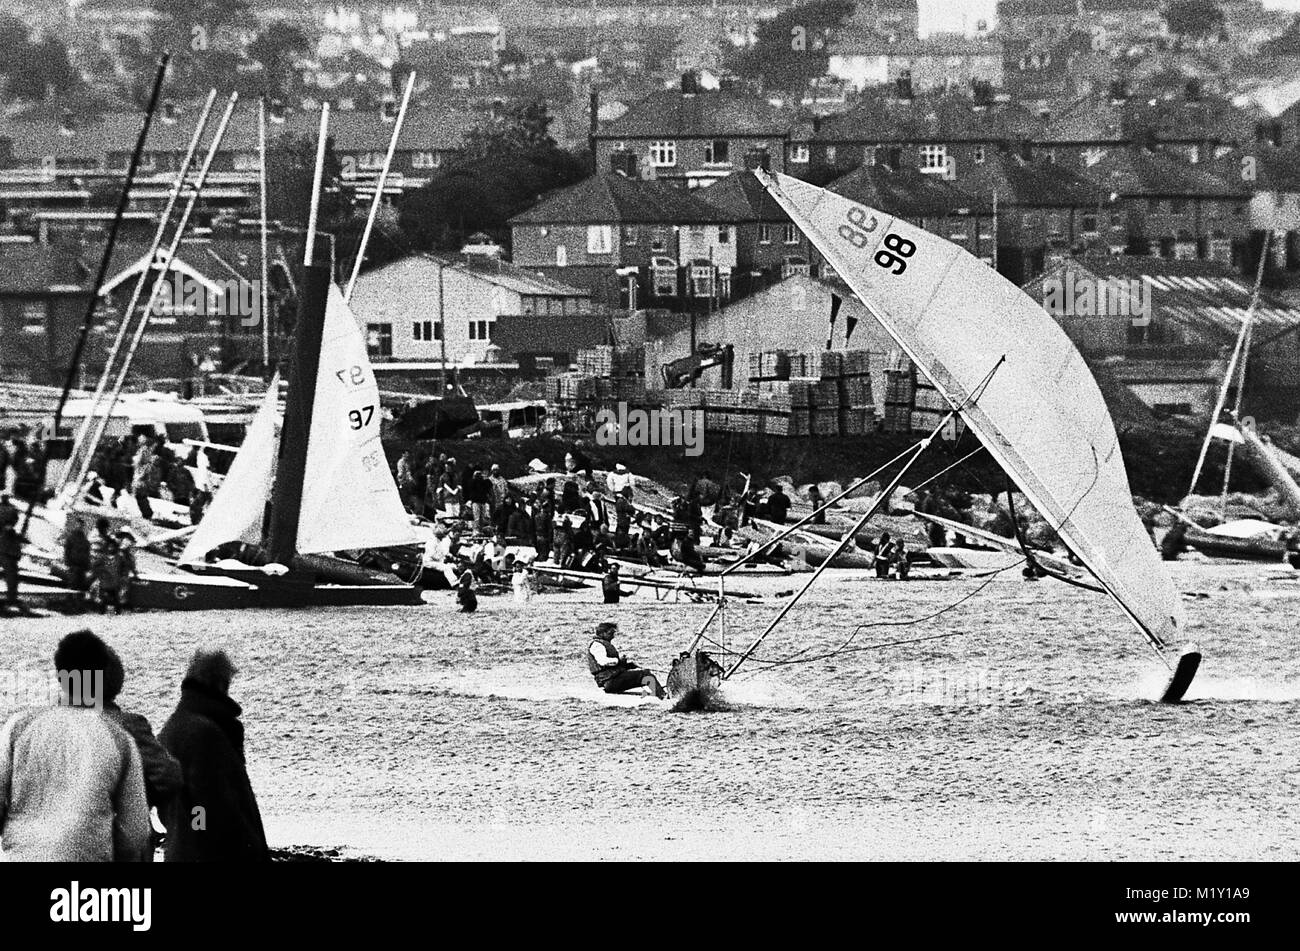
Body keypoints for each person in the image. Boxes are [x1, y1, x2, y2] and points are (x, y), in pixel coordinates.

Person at [0, 630, 152, 861]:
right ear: (102, 674)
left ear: (60, 674)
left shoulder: (18, 728)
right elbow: (136, 832)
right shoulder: (120, 740)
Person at [158, 650, 269, 862]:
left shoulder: (171, 729)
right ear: (219, 684)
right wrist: (202, 833)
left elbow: (171, 803)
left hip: (180, 850)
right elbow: (209, 802)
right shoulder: (205, 733)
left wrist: (189, 828)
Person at [99, 641, 183, 817]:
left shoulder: (53, 727)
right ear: (115, 678)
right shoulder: (129, 726)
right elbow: (167, 777)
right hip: (118, 833)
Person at [586, 622, 664, 698]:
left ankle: (659, 693)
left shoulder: (603, 644)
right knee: (645, 675)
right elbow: (603, 662)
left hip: (611, 680)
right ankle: (662, 696)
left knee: (645, 673)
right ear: (602, 633)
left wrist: (626, 666)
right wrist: (619, 661)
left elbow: (611, 666)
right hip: (610, 682)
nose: (613, 636)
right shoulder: (597, 645)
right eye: (610, 633)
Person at [0, 493, 21, 610]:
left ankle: (11, 600)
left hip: (5, 551)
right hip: (6, 553)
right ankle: (11, 600)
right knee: (12, 577)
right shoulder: (12, 509)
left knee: (12, 577)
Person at [63, 517, 92, 592]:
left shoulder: (85, 540)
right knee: (73, 583)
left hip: (82, 566)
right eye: (78, 524)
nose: (79, 526)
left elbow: (87, 552)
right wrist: (67, 561)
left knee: (81, 585)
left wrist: (87, 565)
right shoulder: (71, 538)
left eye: (81, 525)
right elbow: (67, 550)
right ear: (75, 525)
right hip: (73, 564)